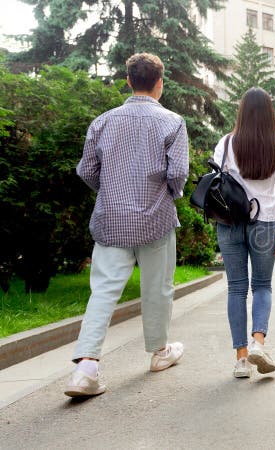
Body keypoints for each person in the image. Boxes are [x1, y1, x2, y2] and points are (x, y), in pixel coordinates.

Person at [66, 53, 189, 397]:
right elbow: (178, 173)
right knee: (158, 288)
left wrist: (110, 193)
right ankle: (159, 353)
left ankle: (85, 368)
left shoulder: (102, 122)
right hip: (156, 218)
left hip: (111, 219)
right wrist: (169, 193)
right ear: (159, 84)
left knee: (103, 290)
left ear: (129, 80)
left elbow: (86, 170)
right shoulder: (172, 122)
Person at [213, 87, 275, 379]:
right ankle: (259, 342)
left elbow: (215, 181)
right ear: (270, 114)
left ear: (242, 112)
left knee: (236, 288)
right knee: (262, 286)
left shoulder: (226, 143)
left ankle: (241, 360)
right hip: (266, 221)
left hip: (230, 222)